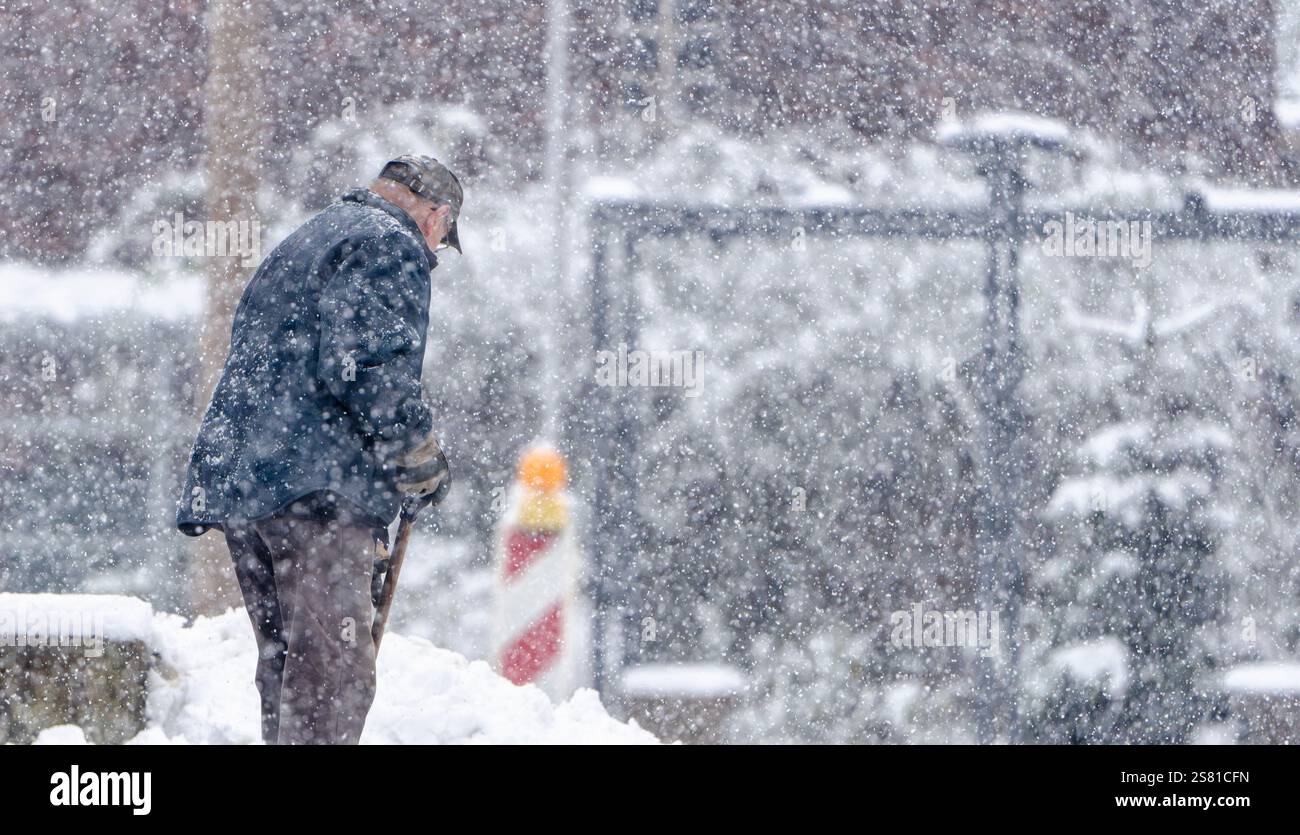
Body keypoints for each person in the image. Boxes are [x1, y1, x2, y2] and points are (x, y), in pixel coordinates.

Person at [176, 155, 462, 744]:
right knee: (333, 673)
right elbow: (368, 364)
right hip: (316, 490)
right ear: (437, 216)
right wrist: (418, 457)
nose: (433, 251)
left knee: (287, 665)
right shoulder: (389, 243)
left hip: (244, 486)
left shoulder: (308, 237)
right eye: (440, 238)